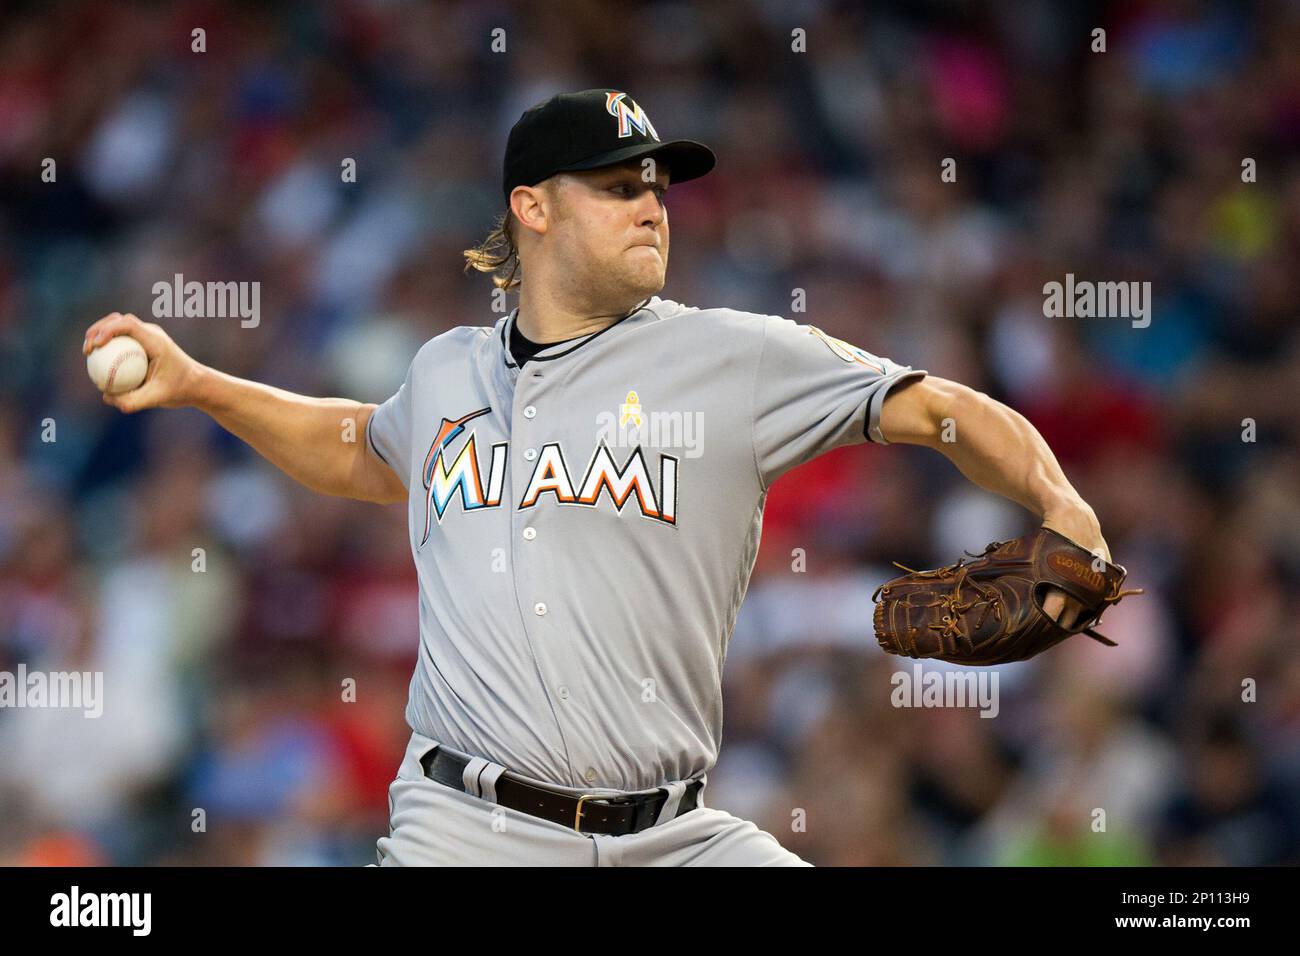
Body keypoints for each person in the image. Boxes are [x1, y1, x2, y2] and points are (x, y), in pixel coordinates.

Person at [82, 89, 1108, 866]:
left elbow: (941, 410)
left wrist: (1062, 505)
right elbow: (360, 448)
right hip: (464, 828)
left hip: (677, 832)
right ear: (531, 207)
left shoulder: (735, 358)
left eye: (655, 188)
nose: (650, 208)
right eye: (617, 188)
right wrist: (200, 381)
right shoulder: (444, 369)